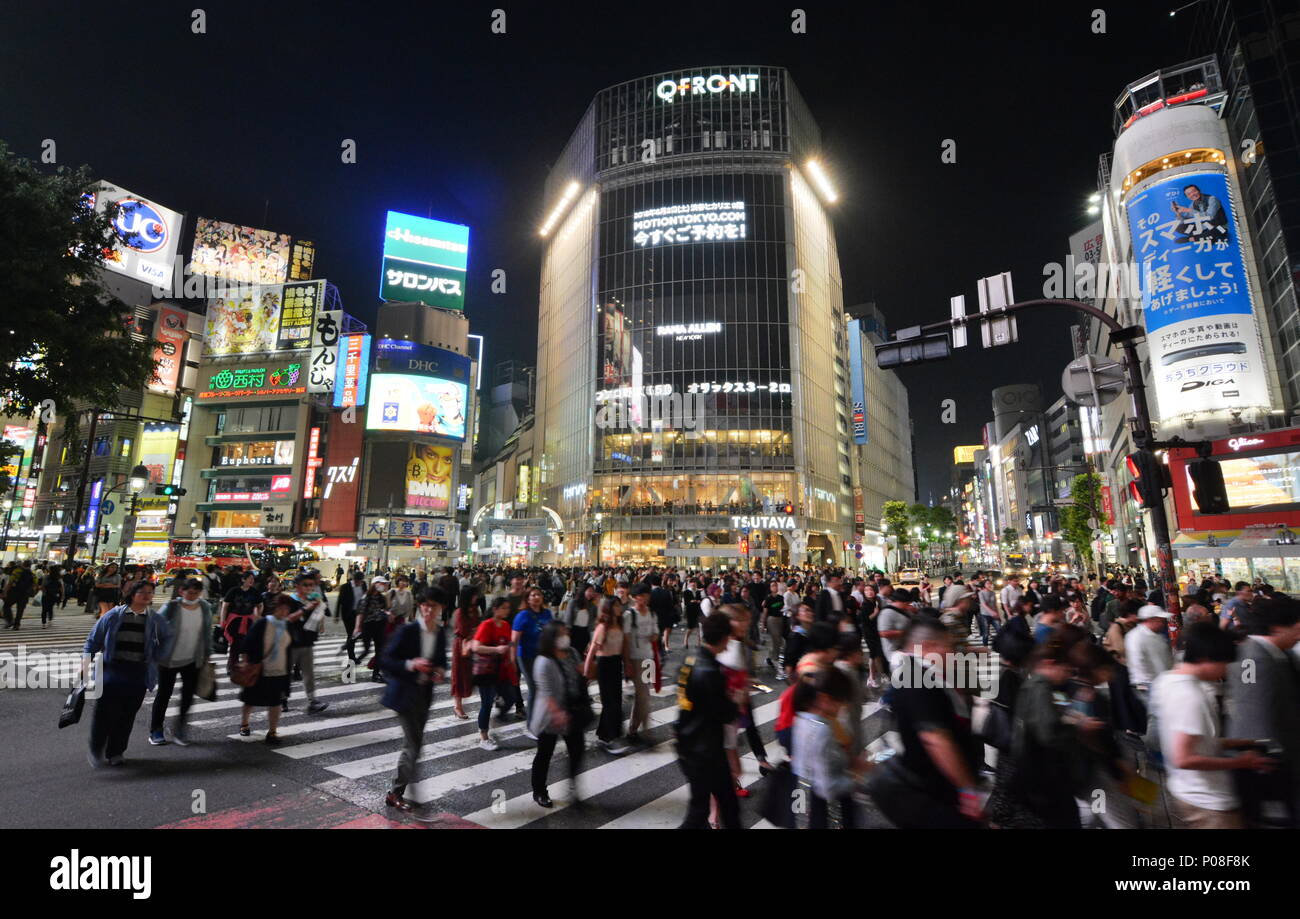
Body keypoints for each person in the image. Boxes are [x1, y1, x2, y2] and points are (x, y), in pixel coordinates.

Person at [1151, 622, 1275, 828]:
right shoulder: (1192, 696)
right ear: (1205, 659)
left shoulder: (1165, 680)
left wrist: (1235, 742)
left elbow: (1194, 739)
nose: (1225, 670)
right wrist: (1242, 762)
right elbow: (1184, 758)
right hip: (1208, 801)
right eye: (1224, 663)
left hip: (1185, 791)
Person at [869, 615, 982, 828]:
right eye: (947, 647)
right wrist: (967, 790)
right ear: (929, 646)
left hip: (937, 789)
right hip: (931, 792)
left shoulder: (922, 674)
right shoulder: (916, 678)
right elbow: (934, 737)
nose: (951, 653)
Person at [1225, 596, 1300, 826]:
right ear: (1278, 628)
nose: (1299, 635)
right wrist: (1265, 753)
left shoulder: (1275, 653)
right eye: (1297, 629)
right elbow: (1252, 709)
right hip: (1266, 760)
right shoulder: (1255, 657)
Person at [82, 581, 169, 767]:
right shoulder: (114, 615)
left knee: (127, 715)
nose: (147, 595)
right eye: (142, 592)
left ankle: (116, 751)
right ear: (132, 594)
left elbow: (168, 638)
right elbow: (92, 641)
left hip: (138, 673)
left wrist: (159, 657)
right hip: (111, 671)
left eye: (150, 592)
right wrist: (85, 666)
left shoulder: (154, 619)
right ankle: (96, 749)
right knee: (103, 713)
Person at [379, 588, 449, 812]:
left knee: (414, 745)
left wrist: (439, 671)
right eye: (425, 605)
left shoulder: (439, 632)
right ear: (420, 606)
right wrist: (411, 664)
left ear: (441, 608)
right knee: (414, 745)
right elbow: (386, 660)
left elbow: (441, 661)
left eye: (433, 606)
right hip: (404, 694)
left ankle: (400, 789)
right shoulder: (407, 630)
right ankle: (395, 792)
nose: (428, 609)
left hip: (424, 694)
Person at [676, 612, 743, 829]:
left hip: (690, 742)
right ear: (724, 637)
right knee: (710, 809)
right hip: (707, 750)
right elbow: (725, 714)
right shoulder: (711, 672)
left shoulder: (690, 659)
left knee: (708, 807)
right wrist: (736, 701)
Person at [792, 665, 869, 827]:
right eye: (841, 702)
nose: (844, 707)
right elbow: (827, 787)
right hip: (827, 811)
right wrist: (858, 777)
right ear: (824, 699)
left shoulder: (802, 717)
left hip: (805, 804)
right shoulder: (822, 730)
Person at [529, 621, 593, 807]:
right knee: (544, 754)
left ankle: (573, 787)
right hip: (550, 716)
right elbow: (546, 693)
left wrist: (590, 665)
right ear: (551, 638)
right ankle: (539, 791)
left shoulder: (572, 653)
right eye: (561, 634)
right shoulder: (543, 661)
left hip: (573, 710)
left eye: (567, 632)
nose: (566, 636)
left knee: (577, 751)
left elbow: (584, 673)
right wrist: (558, 713)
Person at [150, 577, 213, 746]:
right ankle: (155, 730)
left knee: (187, 696)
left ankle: (180, 730)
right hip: (168, 659)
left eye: (196, 593)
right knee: (164, 695)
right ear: (181, 591)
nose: (192, 596)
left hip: (192, 659)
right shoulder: (171, 607)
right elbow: (155, 626)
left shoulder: (205, 607)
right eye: (189, 592)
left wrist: (207, 653)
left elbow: (207, 632)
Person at [237, 592, 296, 742]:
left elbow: (291, 647)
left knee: (275, 702)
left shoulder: (288, 625)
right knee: (250, 699)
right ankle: (244, 723)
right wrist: (246, 663)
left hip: (280, 670)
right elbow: (247, 645)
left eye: (287, 609)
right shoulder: (262, 623)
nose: (284, 611)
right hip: (260, 669)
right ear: (274, 607)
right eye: (281, 608)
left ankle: (272, 732)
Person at [471, 596, 518, 751]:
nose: (506, 610)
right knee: (486, 704)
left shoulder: (505, 625)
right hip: (487, 671)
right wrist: (496, 650)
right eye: (503, 607)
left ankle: (498, 715)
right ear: (495, 609)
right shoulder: (487, 625)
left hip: (502, 670)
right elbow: (476, 647)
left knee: (511, 697)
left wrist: (512, 661)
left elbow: (510, 644)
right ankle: (483, 737)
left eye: (507, 608)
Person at [586, 596, 630, 754]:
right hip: (604, 665)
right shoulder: (602, 627)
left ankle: (605, 735)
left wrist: (627, 665)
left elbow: (624, 647)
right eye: (617, 605)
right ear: (608, 608)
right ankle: (609, 738)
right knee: (610, 703)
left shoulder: (619, 624)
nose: (620, 608)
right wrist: (587, 671)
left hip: (616, 664)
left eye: (619, 605)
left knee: (615, 701)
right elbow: (592, 650)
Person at [512, 587, 554, 737]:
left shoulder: (547, 613)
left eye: (539, 594)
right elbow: (514, 640)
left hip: (543, 657)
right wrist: (512, 659)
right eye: (533, 595)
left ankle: (542, 719)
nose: (536, 597)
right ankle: (531, 725)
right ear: (527, 599)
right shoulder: (522, 615)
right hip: (526, 656)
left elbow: (552, 633)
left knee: (544, 689)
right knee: (534, 689)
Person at [285, 572, 329, 711]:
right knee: (286, 673)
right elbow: (288, 619)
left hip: (307, 642)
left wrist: (319, 611)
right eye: (306, 585)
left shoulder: (313, 600)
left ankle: (312, 701)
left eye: (312, 585)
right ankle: (281, 699)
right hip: (291, 643)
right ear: (297, 586)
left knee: (308, 673)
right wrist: (306, 608)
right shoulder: (290, 600)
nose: (310, 588)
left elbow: (320, 616)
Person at [623, 583, 659, 745]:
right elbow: (625, 640)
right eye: (641, 595)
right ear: (635, 597)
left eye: (647, 595)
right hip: (636, 658)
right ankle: (646, 731)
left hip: (648, 658)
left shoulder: (651, 613)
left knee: (643, 695)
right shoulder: (629, 615)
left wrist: (654, 637)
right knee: (643, 695)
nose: (645, 598)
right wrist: (627, 662)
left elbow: (656, 633)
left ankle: (633, 730)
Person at [1124, 604, 1174, 697]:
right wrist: (1153, 684)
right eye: (1160, 620)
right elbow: (1138, 663)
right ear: (1151, 619)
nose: (1163, 623)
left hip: (1161, 682)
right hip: (1145, 684)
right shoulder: (1135, 637)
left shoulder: (1158, 635)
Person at [450, 583, 482, 720]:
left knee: (470, 675)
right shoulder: (459, 612)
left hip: (473, 645)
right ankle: (457, 706)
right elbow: (463, 631)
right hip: (461, 646)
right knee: (459, 675)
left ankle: (462, 701)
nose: (476, 597)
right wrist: (474, 632)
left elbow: (478, 626)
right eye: (474, 595)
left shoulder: (475, 609)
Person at [354, 575, 392, 683]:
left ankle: (376, 674)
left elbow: (384, 609)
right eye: (382, 583)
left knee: (380, 650)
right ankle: (354, 662)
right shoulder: (366, 597)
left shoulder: (381, 597)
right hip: (368, 625)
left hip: (379, 625)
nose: (384, 586)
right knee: (366, 649)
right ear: (375, 584)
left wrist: (387, 613)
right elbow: (360, 613)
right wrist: (357, 627)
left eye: (385, 584)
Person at [220, 570, 262, 654]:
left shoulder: (254, 592)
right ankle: (232, 664)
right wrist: (222, 621)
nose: (252, 580)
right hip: (234, 621)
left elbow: (260, 605)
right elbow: (225, 606)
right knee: (234, 644)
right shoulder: (234, 591)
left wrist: (257, 616)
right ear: (243, 579)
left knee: (247, 644)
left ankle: (243, 662)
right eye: (250, 578)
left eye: (253, 579)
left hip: (249, 621)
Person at [337, 571, 367, 661]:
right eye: (358, 581)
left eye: (361, 581)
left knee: (359, 634)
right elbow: (340, 601)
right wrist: (336, 615)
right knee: (351, 634)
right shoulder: (345, 587)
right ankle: (352, 658)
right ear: (354, 580)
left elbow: (366, 597)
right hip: (348, 615)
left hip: (360, 614)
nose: (360, 583)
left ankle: (347, 645)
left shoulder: (363, 584)